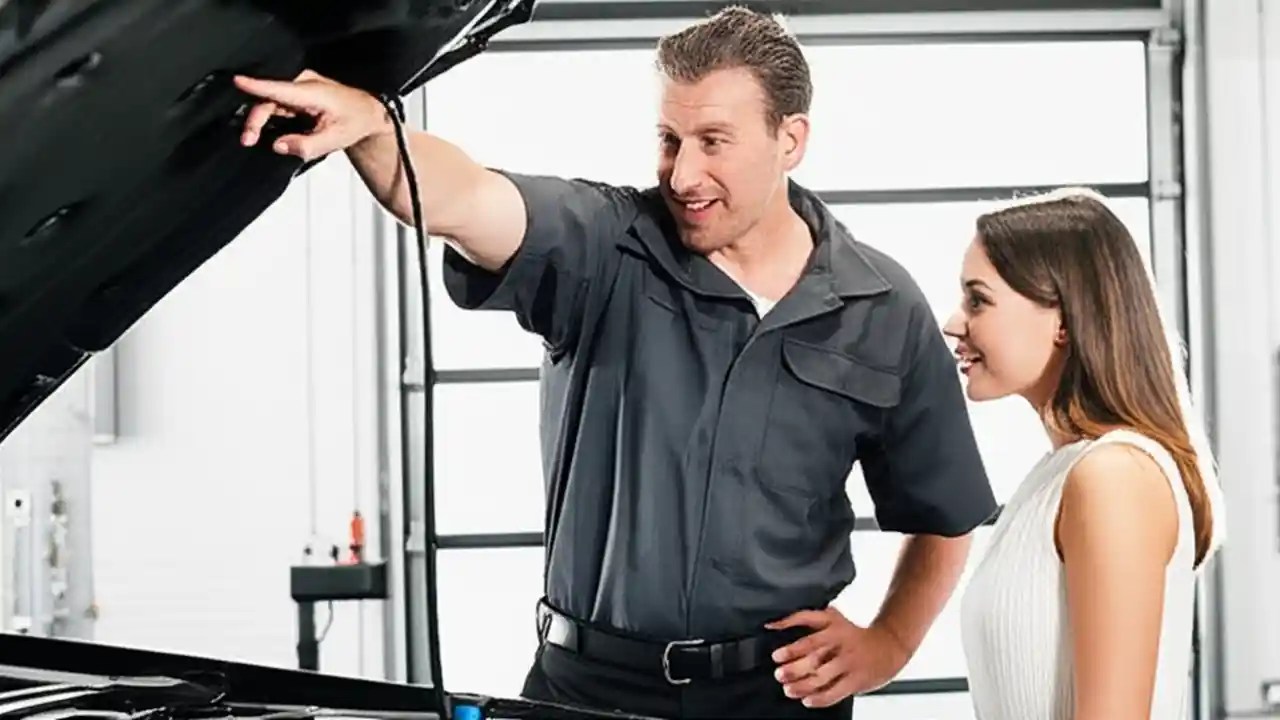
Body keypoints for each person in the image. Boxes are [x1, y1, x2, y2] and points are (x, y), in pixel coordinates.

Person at [233, 6, 998, 718]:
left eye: (714, 142)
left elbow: (944, 512)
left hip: (776, 697)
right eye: (669, 139)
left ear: (790, 140)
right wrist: (374, 127)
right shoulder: (603, 245)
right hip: (587, 690)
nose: (683, 175)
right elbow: (465, 197)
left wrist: (888, 644)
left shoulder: (883, 306)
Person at [943, 188, 1227, 720]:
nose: (953, 322)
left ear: (1065, 320)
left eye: (977, 299)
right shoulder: (1059, 475)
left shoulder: (1114, 475)